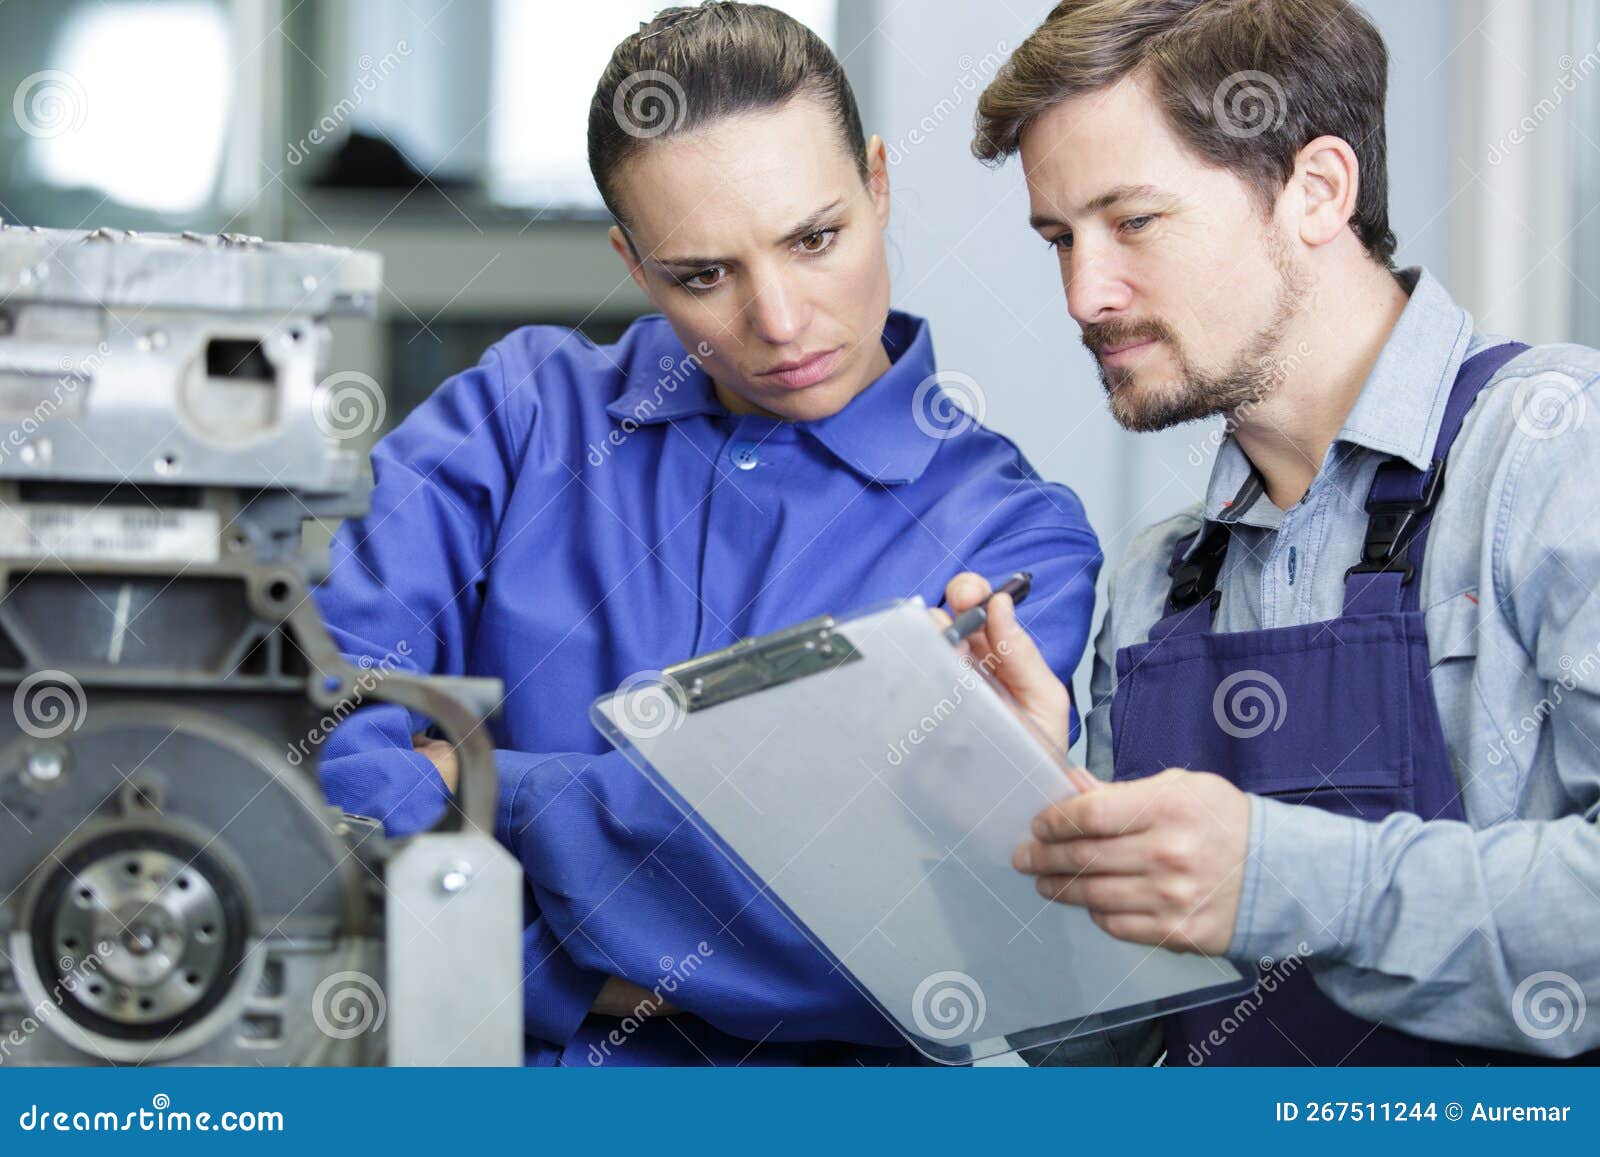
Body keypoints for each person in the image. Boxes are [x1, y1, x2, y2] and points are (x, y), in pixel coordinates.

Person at [312, 2, 1101, 1066]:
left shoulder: (1010, 541)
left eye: (813, 238)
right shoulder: (511, 424)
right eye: (701, 274)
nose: (777, 321)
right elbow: (312, 761)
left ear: (878, 181)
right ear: (632, 262)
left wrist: (478, 786)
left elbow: (894, 944)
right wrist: (627, 961)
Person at [942, 0, 1600, 1064]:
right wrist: (1027, 814)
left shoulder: (1555, 451)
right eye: (1059, 238)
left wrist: (1277, 880)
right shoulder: (1162, 577)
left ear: (1317, 191)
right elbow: (1103, 1050)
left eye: (1133, 222)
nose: (1083, 293)